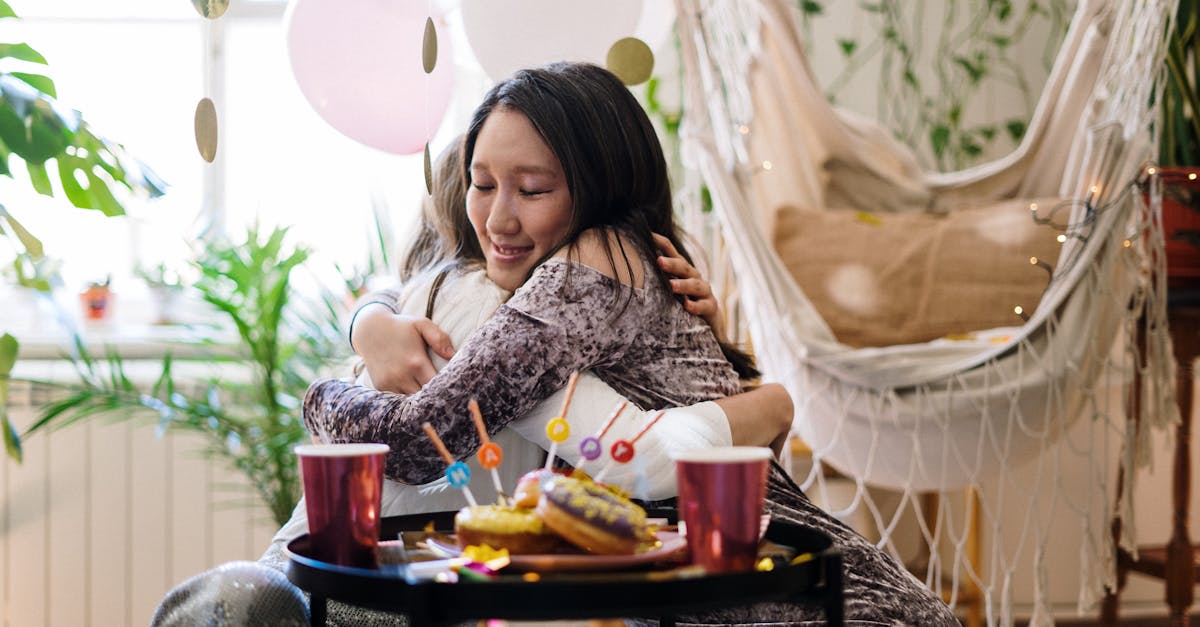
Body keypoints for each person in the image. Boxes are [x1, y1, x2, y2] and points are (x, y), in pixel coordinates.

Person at [302, 62, 957, 625]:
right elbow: (431, 275)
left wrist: (321, 392)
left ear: (598, 186)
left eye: (532, 190)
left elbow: (421, 440)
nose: (498, 217)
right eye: (482, 183)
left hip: (798, 599)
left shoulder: (591, 262)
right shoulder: (592, 267)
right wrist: (370, 320)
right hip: (722, 590)